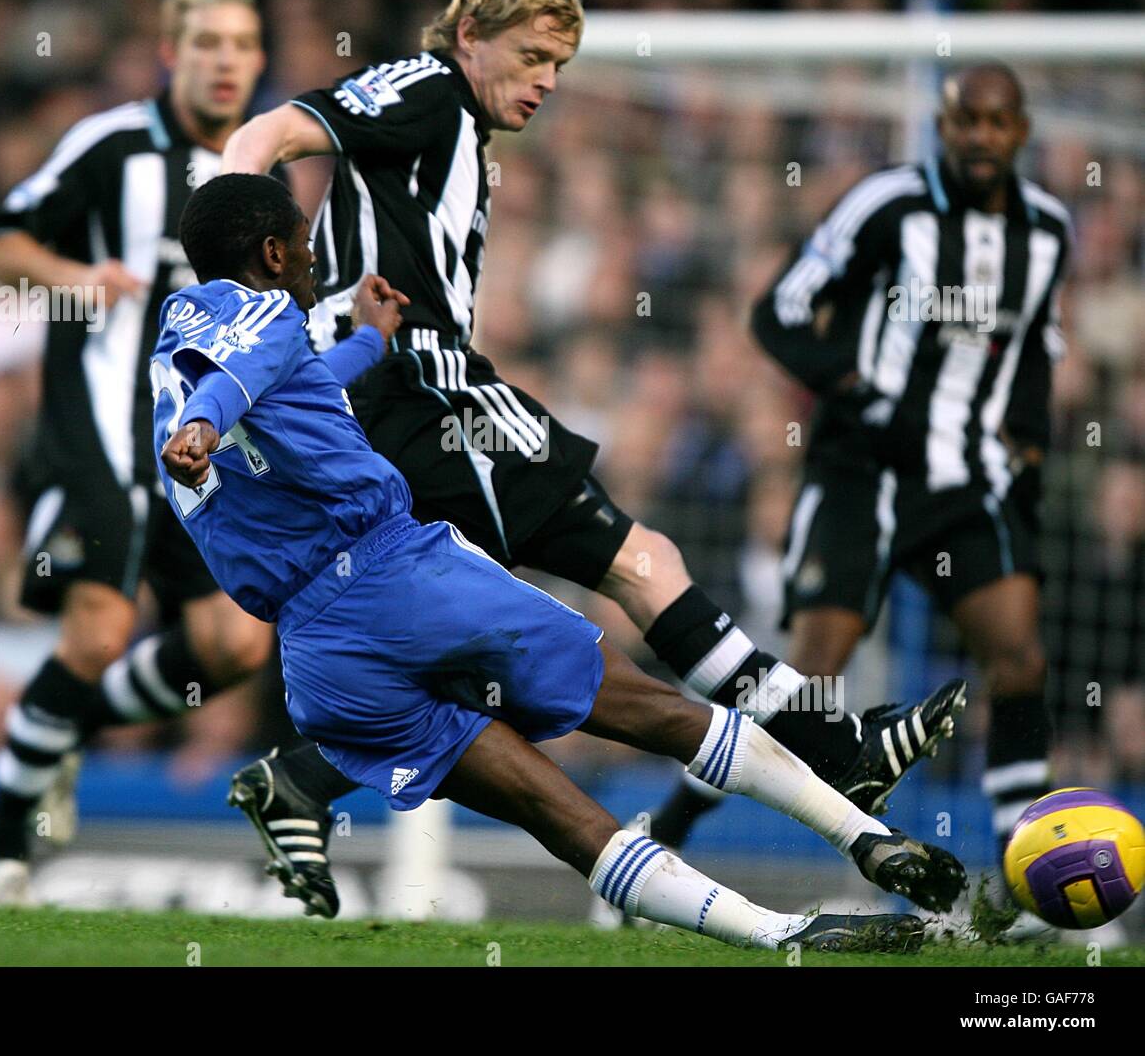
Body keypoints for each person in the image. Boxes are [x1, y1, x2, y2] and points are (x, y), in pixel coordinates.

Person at [218, 0, 964, 913]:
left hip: (415, 402)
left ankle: (302, 781)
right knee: (636, 565)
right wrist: (238, 268)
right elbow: (272, 131)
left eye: (560, 66)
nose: (546, 84)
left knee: (455, 649)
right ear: (469, 35)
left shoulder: (460, 123)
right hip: (422, 398)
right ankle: (838, 752)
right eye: (531, 57)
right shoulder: (423, 86)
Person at [153, 171, 965, 952]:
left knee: (554, 812)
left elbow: (287, 391)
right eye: (302, 246)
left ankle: (778, 934)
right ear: (268, 253)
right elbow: (241, 378)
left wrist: (367, 343)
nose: (313, 261)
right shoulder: (250, 318)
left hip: (320, 659)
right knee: (652, 708)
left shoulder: (174, 357)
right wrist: (203, 424)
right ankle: (865, 836)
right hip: (395, 579)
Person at [0, 0, 402, 904]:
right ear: (172, 52)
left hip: (209, 445)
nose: (226, 61)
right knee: (99, 623)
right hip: (104, 426)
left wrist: (356, 336)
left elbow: (273, 319)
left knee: (232, 648)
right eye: (207, 43)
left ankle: (67, 725)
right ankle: (0, 845)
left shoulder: (258, 176)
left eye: (243, 45)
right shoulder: (112, 144)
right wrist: (78, 278)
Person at [748, 63, 1070, 879]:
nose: (982, 137)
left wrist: (1028, 445)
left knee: (1021, 659)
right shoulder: (887, 203)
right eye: (967, 120)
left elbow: (1037, 345)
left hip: (964, 481)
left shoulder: (1048, 232)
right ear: (943, 123)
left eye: (999, 123)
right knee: (809, 685)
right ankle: (676, 828)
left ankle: (1023, 871)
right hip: (859, 469)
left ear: (1021, 131)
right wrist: (856, 390)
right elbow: (780, 308)